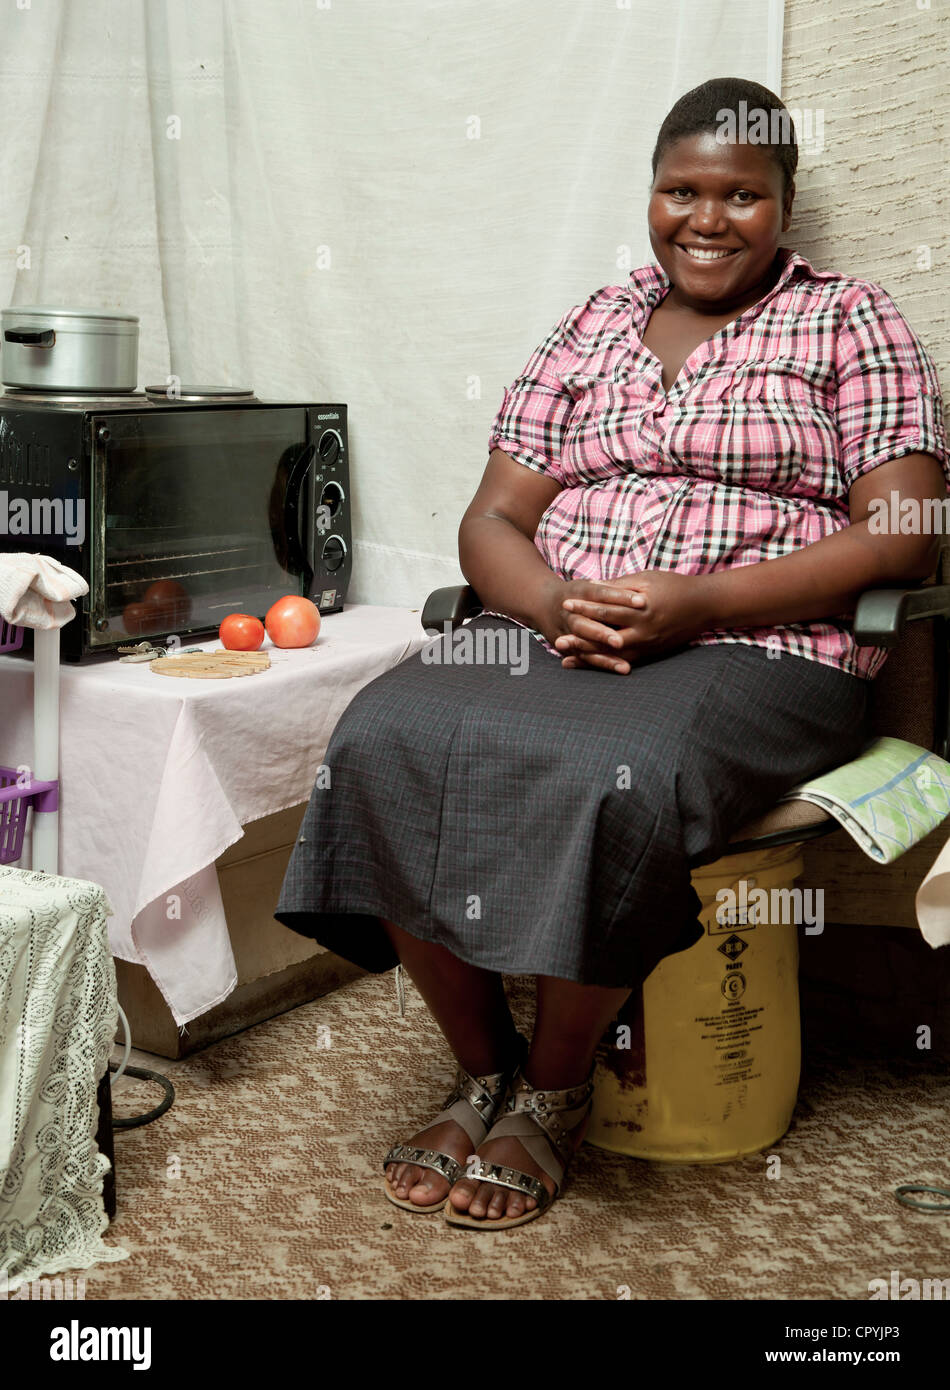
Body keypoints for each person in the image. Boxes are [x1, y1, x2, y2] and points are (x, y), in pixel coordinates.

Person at [276, 77, 949, 1231]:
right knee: (377, 738)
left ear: (782, 204)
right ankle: (481, 1062)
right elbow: (490, 519)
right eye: (679, 190)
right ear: (648, 194)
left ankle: (552, 1086)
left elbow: (905, 523)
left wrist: (702, 600)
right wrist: (545, 604)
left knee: (612, 775)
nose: (705, 217)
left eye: (739, 194)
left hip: (760, 641)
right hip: (562, 627)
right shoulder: (594, 321)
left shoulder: (848, 317)